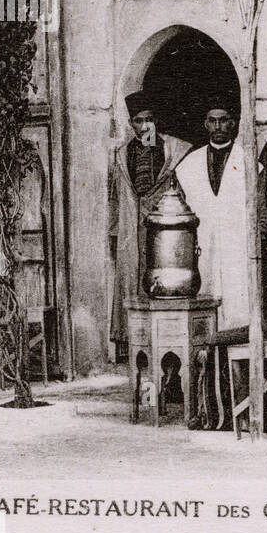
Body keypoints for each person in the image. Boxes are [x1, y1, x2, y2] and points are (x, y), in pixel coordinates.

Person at [108, 91, 190, 359]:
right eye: (138, 121)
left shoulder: (175, 152)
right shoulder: (122, 155)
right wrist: (115, 233)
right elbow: (115, 200)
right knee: (134, 297)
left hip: (166, 239)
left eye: (150, 120)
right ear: (131, 124)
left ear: (157, 120)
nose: (144, 126)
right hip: (132, 238)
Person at [173, 93, 249, 330]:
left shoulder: (247, 160)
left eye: (223, 120)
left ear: (233, 123)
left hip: (238, 248)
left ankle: (235, 363)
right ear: (205, 124)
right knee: (204, 305)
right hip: (202, 248)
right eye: (212, 120)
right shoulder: (189, 164)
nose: (218, 126)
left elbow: (260, 211)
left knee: (238, 306)